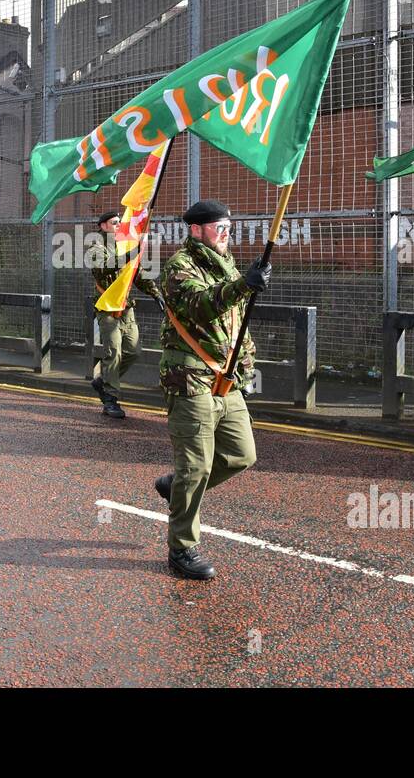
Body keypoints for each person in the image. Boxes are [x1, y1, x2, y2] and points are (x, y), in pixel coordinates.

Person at [153, 200, 269, 581]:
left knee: (241, 455)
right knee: (196, 464)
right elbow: (200, 307)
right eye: (220, 228)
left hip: (225, 378)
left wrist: (248, 369)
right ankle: (182, 548)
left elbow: (238, 326)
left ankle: (176, 486)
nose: (226, 234)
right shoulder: (178, 267)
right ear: (196, 229)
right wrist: (241, 285)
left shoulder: (229, 264)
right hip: (189, 378)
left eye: (229, 228)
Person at [85, 210, 164, 419]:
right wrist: (129, 255)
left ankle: (103, 381)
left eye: (120, 222)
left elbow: (136, 274)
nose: (119, 225)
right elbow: (101, 268)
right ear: (102, 226)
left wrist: (155, 293)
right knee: (114, 352)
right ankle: (110, 400)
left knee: (134, 351)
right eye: (114, 222)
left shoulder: (125, 244)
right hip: (108, 307)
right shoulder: (96, 247)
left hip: (126, 307)